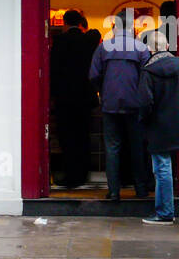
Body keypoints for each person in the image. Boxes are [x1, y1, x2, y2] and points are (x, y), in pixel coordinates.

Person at [89, 13, 152, 200]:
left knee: (112, 147)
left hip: (110, 105)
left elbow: (93, 75)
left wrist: (104, 90)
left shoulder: (103, 48)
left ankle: (114, 191)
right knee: (137, 147)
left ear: (114, 27)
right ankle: (140, 189)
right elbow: (147, 77)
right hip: (135, 105)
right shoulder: (141, 47)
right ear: (132, 27)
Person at [138, 32, 179, 225]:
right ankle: (165, 210)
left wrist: (143, 121)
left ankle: (165, 212)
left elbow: (145, 102)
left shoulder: (148, 71)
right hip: (177, 123)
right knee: (167, 167)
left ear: (150, 49)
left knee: (161, 168)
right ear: (168, 45)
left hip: (158, 126)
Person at [50, 10, 100, 188]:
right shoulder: (88, 40)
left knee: (67, 138)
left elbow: (53, 70)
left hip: (65, 97)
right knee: (83, 136)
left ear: (64, 23)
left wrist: (52, 95)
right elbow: (95, 33)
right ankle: (83, 173)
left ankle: (71, 175)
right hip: (85, 97)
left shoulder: (60, 41)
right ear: (80, 23)